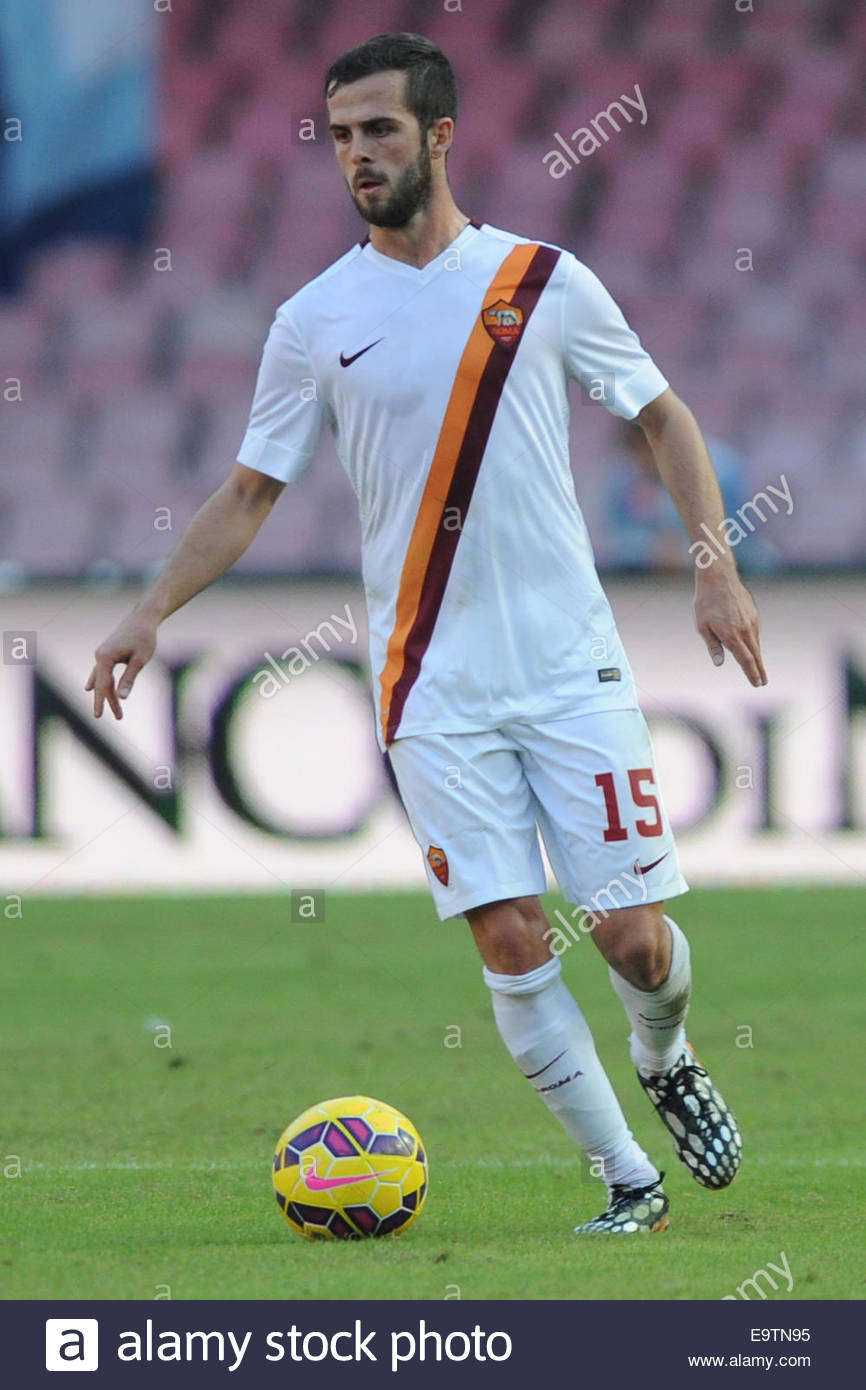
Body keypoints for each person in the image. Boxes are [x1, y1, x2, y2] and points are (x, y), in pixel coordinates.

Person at [87, 32, 767, 1235]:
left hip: (569, 666)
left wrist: (712, 570)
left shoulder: (539, 280)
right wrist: (149, 610)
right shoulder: (312, 318)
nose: (356, 154)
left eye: (379, 131)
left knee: (630, 937)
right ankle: (627, 1182)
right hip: (427, 686)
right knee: (509, 936)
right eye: (341, 135)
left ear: (439, 136)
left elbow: (662, 416)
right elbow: (250, 491)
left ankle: (664, 1054)